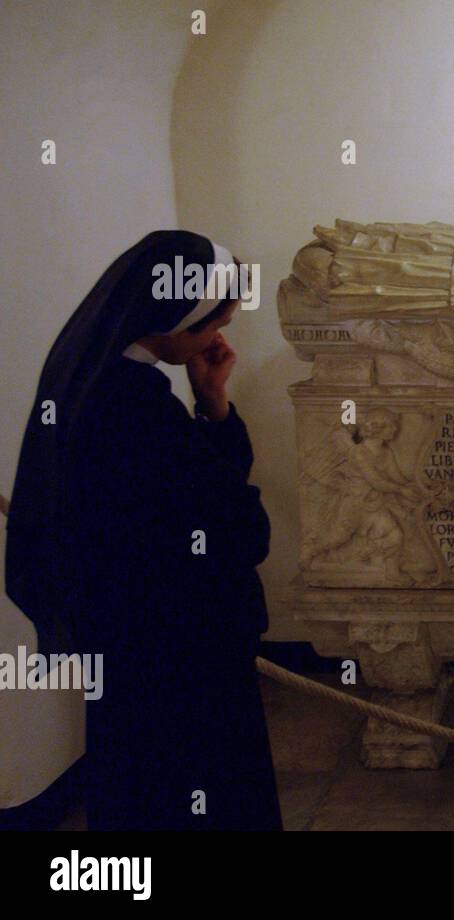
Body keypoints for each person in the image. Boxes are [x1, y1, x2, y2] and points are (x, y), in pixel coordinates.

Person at [5, 230, 281, 830]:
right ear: (175, 316)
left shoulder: (91, 372)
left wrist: (212, 400)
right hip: (177, 654)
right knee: (193, 796)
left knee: (138, 789)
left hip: (130, 643)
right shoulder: (136, 408)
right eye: (212, 322)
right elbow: (236, 531)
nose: (219, 336)